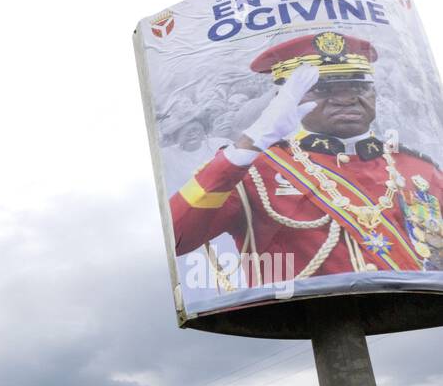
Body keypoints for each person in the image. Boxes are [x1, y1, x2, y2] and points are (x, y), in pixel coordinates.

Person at [170, 31, 443, 282]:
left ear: (373, 93)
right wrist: (253, 140)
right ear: (285, 98)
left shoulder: (418, 169)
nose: (345, 99)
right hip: (308, 321)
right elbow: (176, 238)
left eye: (358, 86)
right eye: (323, 89)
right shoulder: (252, 168)